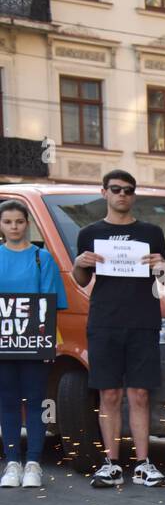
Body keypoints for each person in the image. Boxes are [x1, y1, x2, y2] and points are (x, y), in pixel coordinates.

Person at [72, 170, 165, 488]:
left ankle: (143, 463)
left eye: (129, 190)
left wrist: (162, 266)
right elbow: (82, 280)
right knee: (109, 393)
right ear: (104, 193)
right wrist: (80, 263)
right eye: (116, 190)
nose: (122, 195)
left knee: (140, 394)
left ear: (134, 195)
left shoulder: (151, 232)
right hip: (104, 322)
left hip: (143, 321)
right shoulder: (89, 233)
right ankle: (111, 462)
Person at [0, 200, 67, 489]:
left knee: (36, 401)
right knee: (8, 402)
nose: (14, 227)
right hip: (3, 340)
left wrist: (49, 343)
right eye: (8, 222)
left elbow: (52, 304)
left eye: (19, 221)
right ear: (1, 225)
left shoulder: (43, 259)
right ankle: (12, 461)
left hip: (35, 340)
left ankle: (34, 463)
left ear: (28, 223)